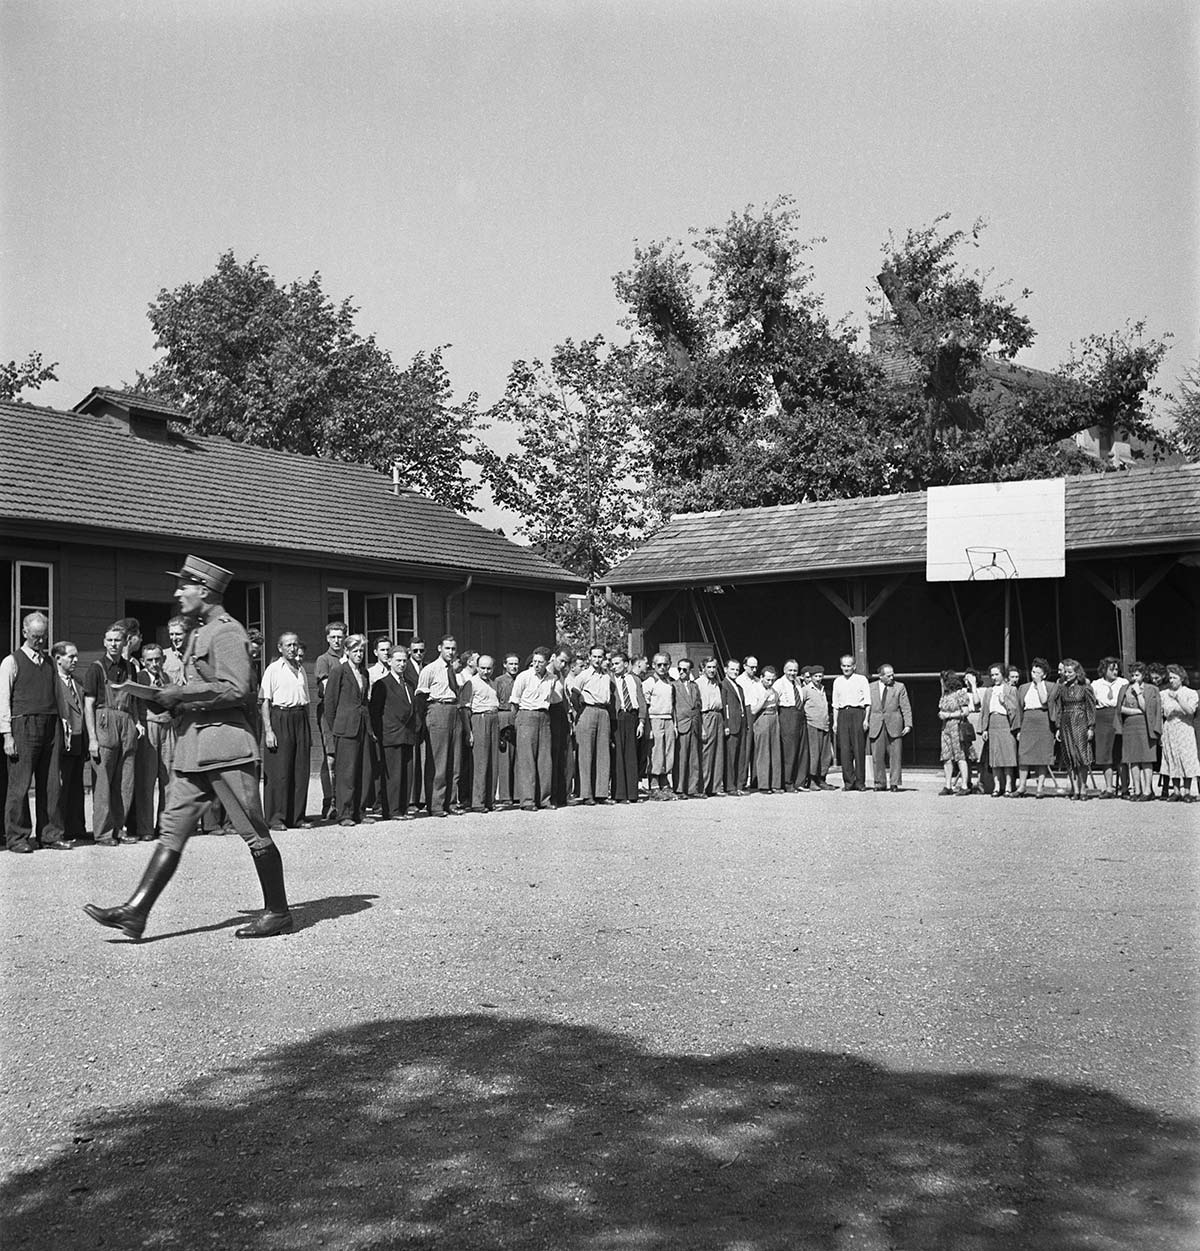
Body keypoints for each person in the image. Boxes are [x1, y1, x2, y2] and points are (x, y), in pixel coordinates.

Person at [84, 555, 292, 940]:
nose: (178, 593)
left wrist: (180, 692)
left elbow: (236, 688)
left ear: (206, 591)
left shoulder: (227, 632)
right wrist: (165, 702)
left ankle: (279, 912)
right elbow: (199, 692)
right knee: (172, 829)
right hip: (193, 748)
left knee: (253, 830)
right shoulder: (199, 631)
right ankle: (136, 911)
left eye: (185, 586)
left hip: (227, 747)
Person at [1, 612, 69, 852]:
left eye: (43, 637)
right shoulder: (12, 661)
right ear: (25, 633)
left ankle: (50, 834)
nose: (40, 641)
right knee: (19, 785)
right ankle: (17, 838)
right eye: (35, 636)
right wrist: (7, 734)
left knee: (51, 783)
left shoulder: (50, 662)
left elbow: (58, 696)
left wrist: (64, 723)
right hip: (23, 725)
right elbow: (4, 700)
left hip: (51, 725)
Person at [84, 623, 141, 845]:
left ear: (125, 642)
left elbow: (134, 698)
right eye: (109, 640)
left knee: (125, 781)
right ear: (104, 642)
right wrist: (92, 738)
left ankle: (119, 828)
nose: (113, 644)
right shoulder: (95, 669)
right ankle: (103, 833)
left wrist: (136, 723)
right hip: (104, 722)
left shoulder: (130, 668)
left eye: (117, 640)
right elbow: (88, 705)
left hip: (126, 722)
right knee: (104, 782)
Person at [259, 631, 314, 831]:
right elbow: (265, 701)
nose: (292, 648)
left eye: (295, 644)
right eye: (288, 645)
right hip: (280, 717)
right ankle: (276, 818)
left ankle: (296, 817)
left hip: (300, 718)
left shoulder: (301, 670)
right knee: (279, 771)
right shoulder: (273, 669)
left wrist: (307, 730)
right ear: (280, 648)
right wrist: (269, 731)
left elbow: (306, 701)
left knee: (300, 770)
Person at [324, 634, 375, 826]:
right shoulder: (338, 671)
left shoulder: (364, 673)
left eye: (361, 651)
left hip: (363, 726)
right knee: (346, 772)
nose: (359, 654)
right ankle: (344, 813)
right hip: (345, 728)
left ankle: (359, 811)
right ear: (347, 651)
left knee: (363, 769)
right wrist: (337, 726)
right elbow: (330, 703)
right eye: (355, 651)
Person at [369, 644, 419, 819]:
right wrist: (378, 733)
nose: (402, 664)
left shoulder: (410, 684)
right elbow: (375, 712)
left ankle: (403, 808)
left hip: (407, 734)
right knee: (393, 775)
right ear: (389, 661)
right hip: (390, 735)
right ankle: (392, 810)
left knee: (406, 773)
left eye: (404, 661)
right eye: (398, 661)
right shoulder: (382, 684)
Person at [416, 635, 463, 817]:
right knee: (439, 761)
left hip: (453, 711)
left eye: (453, 649)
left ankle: (450, 802)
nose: (450, 652)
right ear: (439, 649)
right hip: (437, 709)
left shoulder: (453, 670)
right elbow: (421, 697)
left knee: (454, 761)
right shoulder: (430, 669)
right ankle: (435, 804)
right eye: (447, 648)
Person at [134, 643, 176, 838]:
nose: (154, 663)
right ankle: (145, 828)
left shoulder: (167, 678)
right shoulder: (139, 678)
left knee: (168, 779)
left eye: (157, 659)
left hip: (167, 728)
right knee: (147, 779)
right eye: (150, 660)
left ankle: (165, 826)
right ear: (143, 661)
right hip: (149, 726)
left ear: (163, 660)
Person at [510, 648, 555, 810]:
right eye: (534, 661)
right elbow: (514, 702)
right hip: (526, 716)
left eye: (540, 662)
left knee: (544, 760)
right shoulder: (523, 677)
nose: (536, 665)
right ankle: (528, 800)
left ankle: (544, 799)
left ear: (547, 663)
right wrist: (516, 723)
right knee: (527, 760)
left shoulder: (552, 679)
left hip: (544, 717)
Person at [53, 640, 88, 841]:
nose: (75, 660)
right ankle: (60, 829)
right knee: (61, 787)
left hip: (78, 742)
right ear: (58, 659)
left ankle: (76, 828)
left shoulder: (78, 683)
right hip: (62, 743)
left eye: (76, 656)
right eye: (71, 656)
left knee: (76, 787)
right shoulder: (52, 683)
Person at [571, 645, 613, 804]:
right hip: (587, 711)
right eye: (594, 656)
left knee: (603, 753)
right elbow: (574, 695)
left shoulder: (606, 676)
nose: (597, 660)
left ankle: (601, 793)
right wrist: (580, 711)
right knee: (586, 753)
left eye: (600, 657)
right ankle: (587, 794)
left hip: (603, 712)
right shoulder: (583, 675)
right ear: (589, 657)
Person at [1049, 658, 1097, 801]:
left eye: (1070, 672)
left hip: (1081, 721)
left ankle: (1083, 788)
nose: (1067, 674)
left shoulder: (1085, 687)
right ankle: (1074, 789)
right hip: (1065, 723)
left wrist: (1091, 727)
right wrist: (1058, 727)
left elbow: (1091, 708)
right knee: (1069, 757)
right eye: (1065, 672)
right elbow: (1058, 707)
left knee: (1082, 757)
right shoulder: (1062, 688)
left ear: (1077, 672)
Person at [314, 622, 347, 821]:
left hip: (347, 713)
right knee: (331, 757)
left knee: (347, 757)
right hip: (329, 712)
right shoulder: (323, 660)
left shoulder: (349, 658)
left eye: (340, 637)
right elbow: (326, 690)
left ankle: (344, 801)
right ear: (327, 638)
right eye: (333, 637)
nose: (336, 641)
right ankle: (330, 802)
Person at [463, 654, 501, 812]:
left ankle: (489, 800)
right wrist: (469, 732)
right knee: (480, 762)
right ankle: (477, 802)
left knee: (493, 761)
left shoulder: (493, 683)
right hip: (480, 719)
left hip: (493, 719)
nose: (486, 671)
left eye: (489, 668)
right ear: (477, 668)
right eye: (483, 668)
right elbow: (465, 708)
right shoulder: (471, 683)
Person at [1016, 659, 1058, 799]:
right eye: (1033, 672)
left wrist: (1039, 683)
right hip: (1028, 720)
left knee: (1042, 755)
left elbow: (1045, 701)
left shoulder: (1051, 687)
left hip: (1044, 720)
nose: (1034, 675)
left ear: (1044, 675)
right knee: (1024, 754)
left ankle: (1040, 787)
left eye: (1038, 673)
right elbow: (1019, 709)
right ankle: (1022, 786)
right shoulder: (1023, 688)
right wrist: (1019, 729)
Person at [867, 663, 912, 792]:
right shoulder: (871, 687)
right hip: (876, 724)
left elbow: (906, 707)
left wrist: (908, 724)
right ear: (880, 676)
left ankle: (894, 783)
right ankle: (879, 783)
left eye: (893, 674)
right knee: (877, 756)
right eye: (888, 675)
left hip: (894, 724)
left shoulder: (900, 687)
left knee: (895, 755)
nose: (892, 677)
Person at [1157, 665, 1199, 801]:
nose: (1172, 681)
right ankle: (1175, 791)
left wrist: (1178, 698)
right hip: (1170, 728)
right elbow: (1162, 713)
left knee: (1186, 758)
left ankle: (1187, 791)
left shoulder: (1190, 693)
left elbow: (1190, 711)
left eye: (1175, 677)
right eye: (1170, 678)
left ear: (1181, 678)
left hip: (1185, 727)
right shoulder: (1163, 694)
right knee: (1171, 757)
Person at [609, 652, 646, 803]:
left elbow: (641, 701)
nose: (614, 666)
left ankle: (632, 793)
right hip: (618, 717)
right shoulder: (610, 680)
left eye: (617, 663)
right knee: (618, 755)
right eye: (612, 664)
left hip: (632, 717)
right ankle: (619, 794)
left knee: (631, 755)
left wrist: (641, 722)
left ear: (625, 664)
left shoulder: (635, 680)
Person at [979, 663, 1020, 797]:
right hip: (993, 723)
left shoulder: (1011, 690)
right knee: (995, 758)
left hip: (1006, 723)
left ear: (1003, 675)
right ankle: (997, 786)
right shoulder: (989, 691)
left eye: (997, 674)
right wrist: (984, 729)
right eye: (992, 675)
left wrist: (1005, 702)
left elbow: (1015, 710)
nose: (994, 677)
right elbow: (985, 711)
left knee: (1008, 756)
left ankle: (1008, 785)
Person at [831, 654, 870, 792]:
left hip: (857, 713)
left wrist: (866, 719)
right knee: (845, 750)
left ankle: (860, 783)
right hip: (843, 714)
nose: (846, 668)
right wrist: (835, 722)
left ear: (854, 666)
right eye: (844, 666)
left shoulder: (861, 680)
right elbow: (835, 704)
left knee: (859, 749)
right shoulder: (837, 681)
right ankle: (848, 782)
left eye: (849, 666)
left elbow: (867, 702)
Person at [1091, 657, 1127, 798]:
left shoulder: (1124, 683)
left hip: (1118, 716)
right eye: (1112, 669)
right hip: (1101, 717)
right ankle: (1109, 788)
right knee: (1104, 753)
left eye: (1117, 669)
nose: (1115, 672)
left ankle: (1124, 788)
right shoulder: (1096, 684)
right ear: (1104, 670)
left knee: (1120, 753)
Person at [642, 654, 677, 800]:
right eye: (659, 665)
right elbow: (645, 705)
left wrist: (674, 725)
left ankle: (665, 784)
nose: (662, 668)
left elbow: (673, 705)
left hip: (668, 719)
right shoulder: (649, 682)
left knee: (668, 753)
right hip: (654, 719)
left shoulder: (670, 683)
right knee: (656, 753)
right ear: (653, 665)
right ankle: (654, 785)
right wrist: (647, 727)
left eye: (665, 665)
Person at [772, 659, 810, 793]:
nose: (793, 673)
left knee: (802, 749)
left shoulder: (798, 682)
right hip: (787, 715)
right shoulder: (779, 684)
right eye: (790, 670)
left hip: (799, 714)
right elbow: (774, 702)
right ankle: (787, 782)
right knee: (789, 751)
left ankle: (799, 781)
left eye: (795, 670)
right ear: (784, 670)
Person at [937, 670, 973, 796]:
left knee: (960, 755)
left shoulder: (960, 694)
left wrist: (949, 714)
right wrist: (942, 714)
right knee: (946, 756)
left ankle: (964, 785)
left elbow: (966, 711)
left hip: (957, 726)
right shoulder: (945, 695)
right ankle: (948, 785)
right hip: (945, 727)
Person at [672, 657, 703, 798]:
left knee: (694, 757)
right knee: (681, 758)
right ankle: (680, 789)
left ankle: (693, 788)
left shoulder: (694, 686)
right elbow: (672, 706)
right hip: (682, 724)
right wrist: (675, 724)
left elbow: (698, 705)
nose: (682, 672)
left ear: (690, 670)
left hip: (694, 724)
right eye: (679, 669)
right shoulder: (674, 686)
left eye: (685, 669)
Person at [493, 653, 521, 807]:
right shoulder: (499, 681)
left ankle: (517, 793)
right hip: (503, 715)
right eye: (511, 664)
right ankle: (505, 795)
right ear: (504, 665)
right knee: (505, 756)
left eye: (516, 664)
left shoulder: (521, 679)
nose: (514, 667)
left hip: (518, 716)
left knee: (518, 756)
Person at [800, 666, 834, 789]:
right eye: (816, 676)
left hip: (824, 724)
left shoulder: (822, 689)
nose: (818, 679)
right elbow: (800, 705)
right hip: (812, 724)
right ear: (811, 676)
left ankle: (822, 778)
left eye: (820, 676)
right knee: (814, 754)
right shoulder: (806, 690)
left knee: (825, 755)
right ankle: (812, 779)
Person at [695, 657, 725, 796]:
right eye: (709, 667)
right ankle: (702, 787)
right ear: (703, 669)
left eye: (714, 667)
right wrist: (701, 727)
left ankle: (716, 787)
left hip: (717, 716)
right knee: (705, 754)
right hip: (705, 717)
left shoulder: (716, 683)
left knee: (718, 753)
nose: (712, 670)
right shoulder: (698, 684)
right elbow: (696, 708)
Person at [753, 664, 783, 792]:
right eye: (767, 680)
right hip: (762, 717)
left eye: (772, 680)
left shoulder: (774, 689)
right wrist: (764, 697)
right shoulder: (756, 688)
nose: (770, 682)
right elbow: (753, 710)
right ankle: (764, 785)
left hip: (774, 717)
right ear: (761, 678)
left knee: (775, 752)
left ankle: (775, 784)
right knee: (764, 752)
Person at [720, 658, 746, 796]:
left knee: (740, 756)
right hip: (731, 725)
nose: (735, 672)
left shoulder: (738, 686)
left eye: (737, 669)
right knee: (730, 757)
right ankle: (730, 786)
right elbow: (724, 707)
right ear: (725, 670)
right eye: (732, 669)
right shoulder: (724, 685)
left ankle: (738, 784)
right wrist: (726, 725)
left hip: (741, 724)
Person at [163, 616, 189, 683]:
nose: (174, 638)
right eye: (171, 634)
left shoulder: (196, 655)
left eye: (178, 634)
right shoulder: (163, 656)